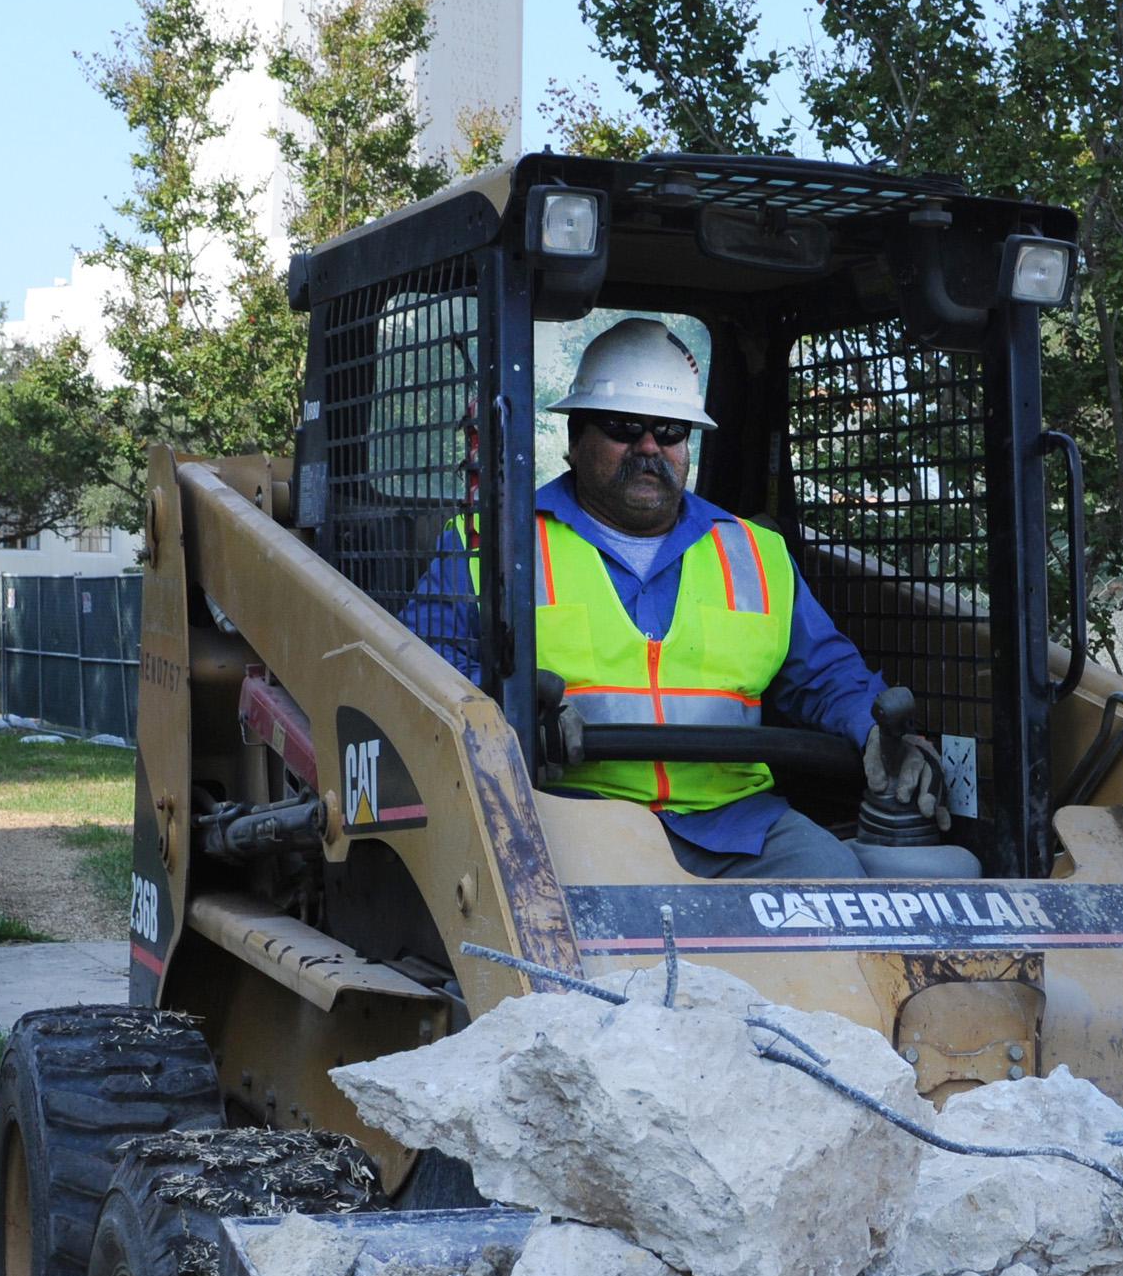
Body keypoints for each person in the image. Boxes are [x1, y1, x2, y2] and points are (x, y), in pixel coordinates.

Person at [401, 316, 944, 879]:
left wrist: (876, 728)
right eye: (623, 426)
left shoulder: (756, 554)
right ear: (575, 437)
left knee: (837, 891)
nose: (648, 447)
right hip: (565, 819)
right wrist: (506, 714)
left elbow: (829, 677)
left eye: (669, 431)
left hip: (739, 827)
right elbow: (421, 676)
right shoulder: (489, 545)